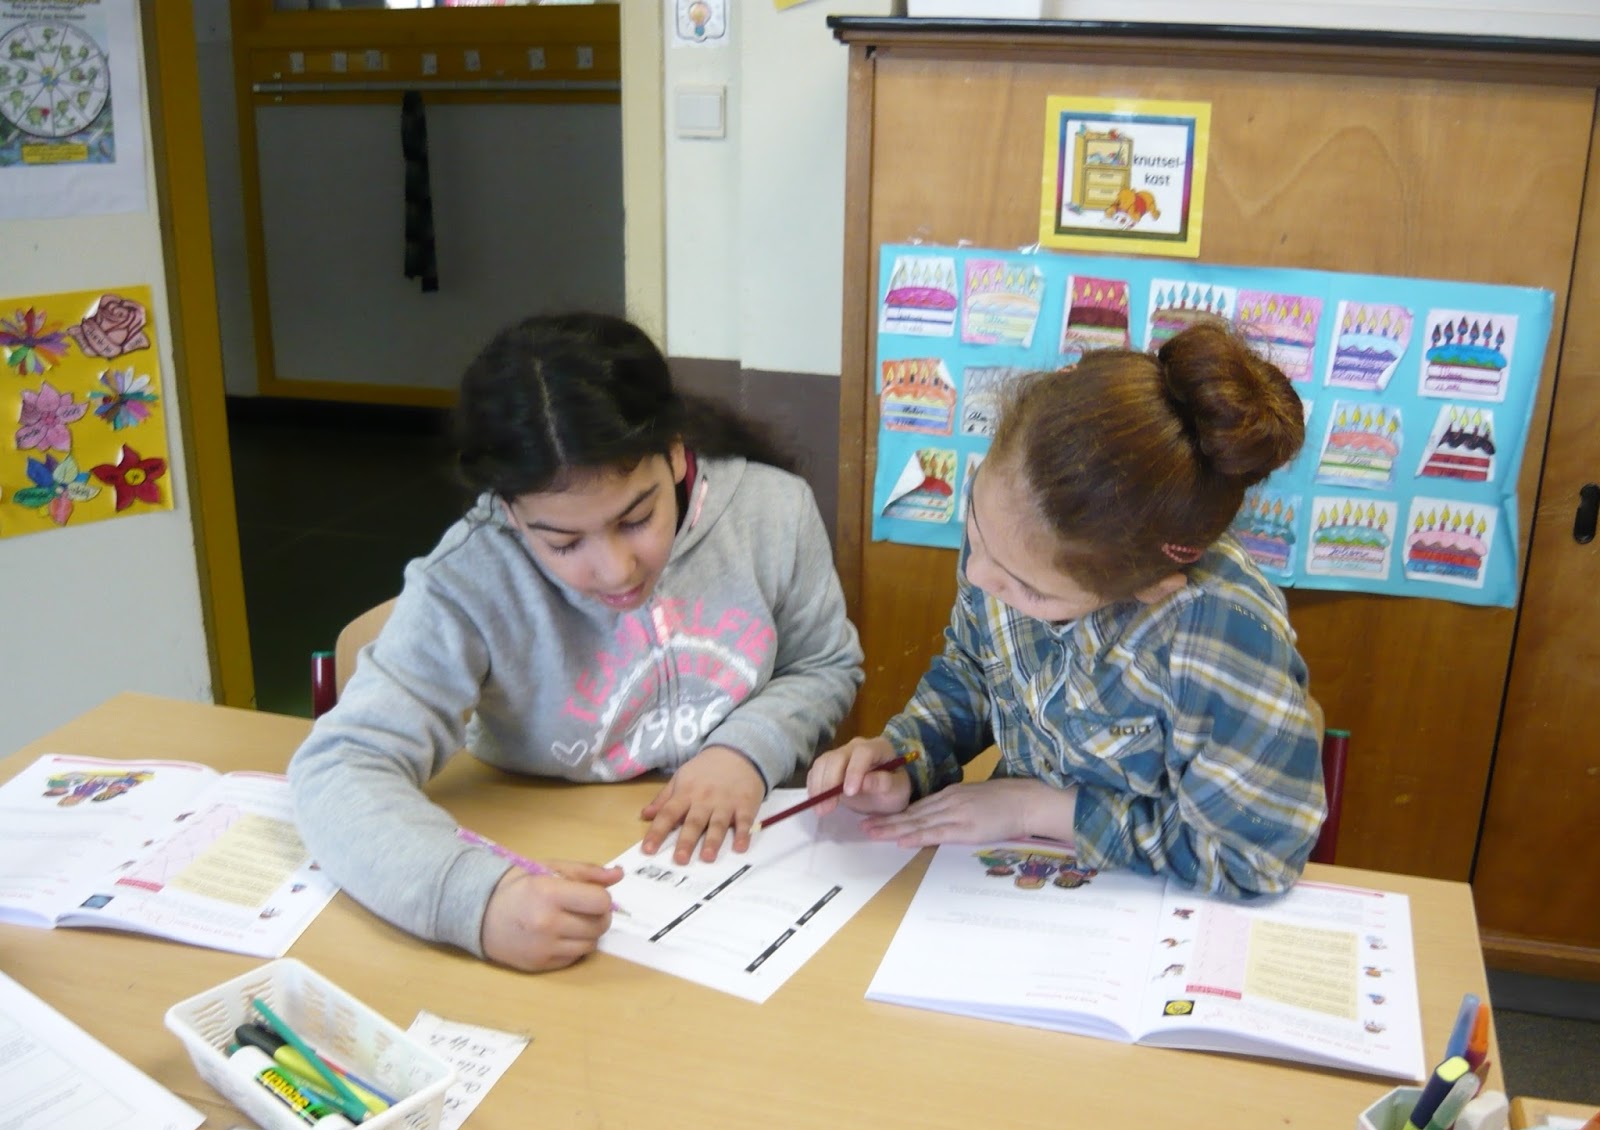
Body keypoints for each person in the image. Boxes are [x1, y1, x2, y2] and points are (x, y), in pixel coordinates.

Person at [290, 313, 862, 971]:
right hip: (553, 849)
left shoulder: (774, 510)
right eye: (564, 543)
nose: (616, 570)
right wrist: (474, 899)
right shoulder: (470, 580)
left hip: (751, 873)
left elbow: (823, 663)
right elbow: (339, 766)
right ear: (508, 510)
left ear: (676, 452)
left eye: (638, 517)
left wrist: (747, 749)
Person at [808, 320, 1325, 899]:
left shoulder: (1221, 629)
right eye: (975, 527)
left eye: (1030, 592)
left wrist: (1042, 809)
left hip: (1140, 916)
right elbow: (976, 672)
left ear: (1151, 586)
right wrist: (904, 759)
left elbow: (1251, 859)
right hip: (1002, 890)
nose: (980, 575)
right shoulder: (1012, 528)